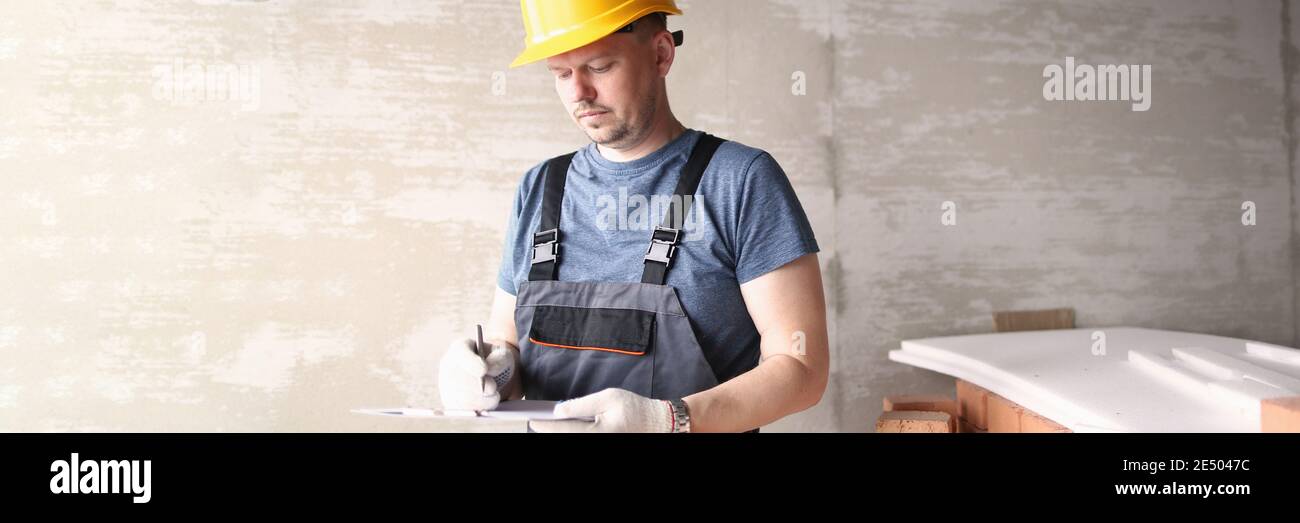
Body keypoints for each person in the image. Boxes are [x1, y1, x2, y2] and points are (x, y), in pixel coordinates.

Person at [438, 0, 828, 432]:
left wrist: (668, 420)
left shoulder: (740, 181)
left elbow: (801, 368)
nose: (578, 92)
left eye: (599, 67)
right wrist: (490, 373)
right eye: (561, 73)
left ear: (661, 53)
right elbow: (507, 342)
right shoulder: (541, 187)